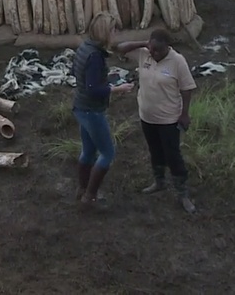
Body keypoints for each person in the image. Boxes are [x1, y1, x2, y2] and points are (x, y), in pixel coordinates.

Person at [117, 29, 197, 213]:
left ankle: (182, 193)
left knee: (173, 155)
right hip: (147, 116)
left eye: (158, 50)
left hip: (168, 119)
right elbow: (119, 48)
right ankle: (159, 181)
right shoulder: (145, 54)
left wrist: (184, 114)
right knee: (155, 151)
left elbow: (186, 89)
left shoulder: (178, 61)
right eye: (152, 49)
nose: (154, 54)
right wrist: (143, 44)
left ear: (167, 47)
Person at [71, 12, 135, 209]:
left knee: (89, 151)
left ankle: (82, 189)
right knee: (107, 153)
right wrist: (117, 89)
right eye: (114, 30)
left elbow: (82, 77)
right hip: (91, 110)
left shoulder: (85, 47)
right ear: (106, 32)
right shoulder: (95, 57)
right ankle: (90, 197)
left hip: (81, 107)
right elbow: (93, 88)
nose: (116, 34)